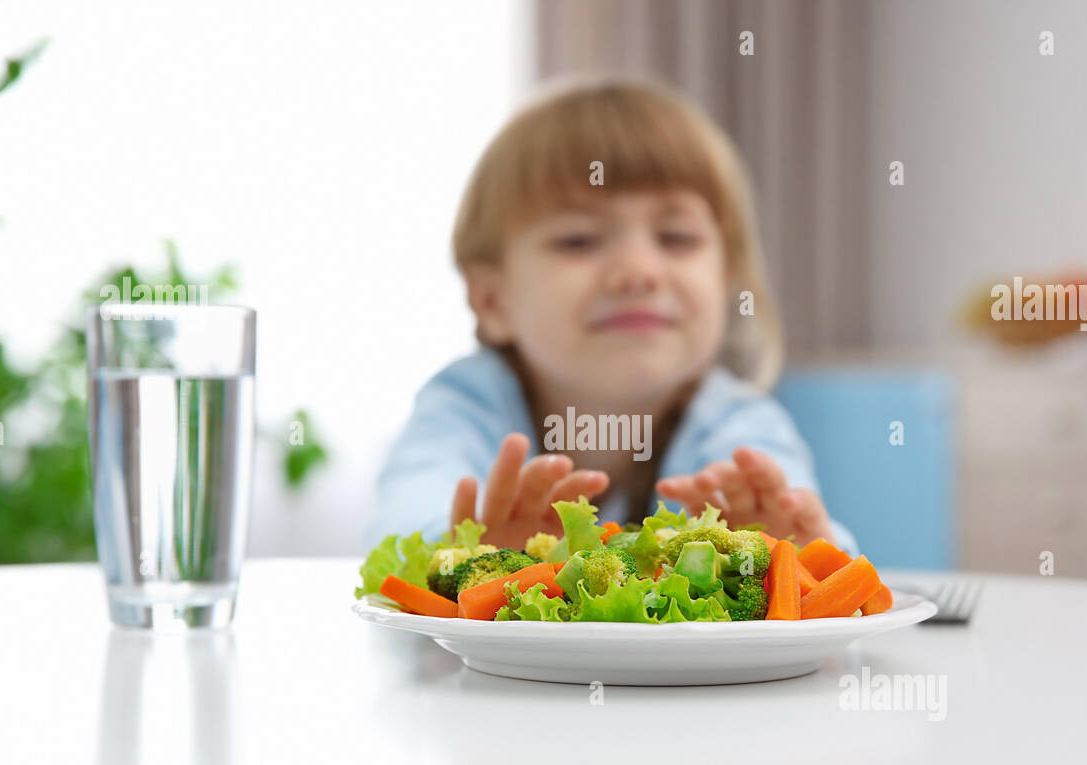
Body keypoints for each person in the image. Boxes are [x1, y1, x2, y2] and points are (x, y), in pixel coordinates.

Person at [367, 77, 857, 555]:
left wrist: (793, 549)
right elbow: (402, 535)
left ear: (725, 280)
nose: (638, 273)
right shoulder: (462, 407)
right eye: (577, 240)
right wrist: (468, 554)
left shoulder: (738, 423)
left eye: (677, 238)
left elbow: (822, 550)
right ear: (493, 300)